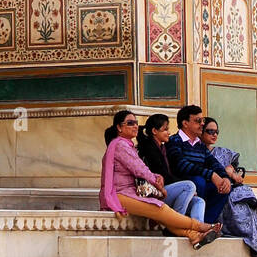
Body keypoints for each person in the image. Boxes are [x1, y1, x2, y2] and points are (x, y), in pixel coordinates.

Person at [99, 110, 221, 249]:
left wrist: (156, 178)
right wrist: (157, 182)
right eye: (130, 123)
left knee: (163, 210)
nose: (135, 126)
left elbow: (141, 168)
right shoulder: (120, 145)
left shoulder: (126, 145)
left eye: (136, 123)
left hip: (129, 193)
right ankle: (199, 227)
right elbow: (139, 169)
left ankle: (194, 236)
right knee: (160, 208)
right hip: (120, 194)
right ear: (119, 127)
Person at [201, 116, 257, 257]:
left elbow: (235, 174)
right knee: (234, 197)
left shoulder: (223, 152)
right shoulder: (197, 150)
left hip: (229, 185)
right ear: (201, 131)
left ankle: (254, 237)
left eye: (216, 132)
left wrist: (232, 173)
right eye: (210, 131)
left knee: (245, 194)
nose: (214, 135)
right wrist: (227, 172)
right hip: (212, 187)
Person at [137, 114, 208, 225]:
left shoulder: (162, 147)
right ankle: (175, 225)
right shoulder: (149, 148)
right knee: (189, 186)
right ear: (155, 131)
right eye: (165, 129)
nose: (169, 133)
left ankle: (198, 228)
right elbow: (163, 175)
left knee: (199, 201)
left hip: (164, 191)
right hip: (154, 194)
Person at [165, 103, 231, 223]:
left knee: (223, 187)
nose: (202, 124)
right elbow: (182, 166)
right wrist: (211, 175)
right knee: (199, 182)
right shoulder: (174, 141)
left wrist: (225, 178)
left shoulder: (199, 144)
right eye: (198, 120)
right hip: (180, 184)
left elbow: (213, 163)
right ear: (185, 123)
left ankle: (206, 224)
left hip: (199, 182)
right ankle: (191, 222)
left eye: (203, 120)